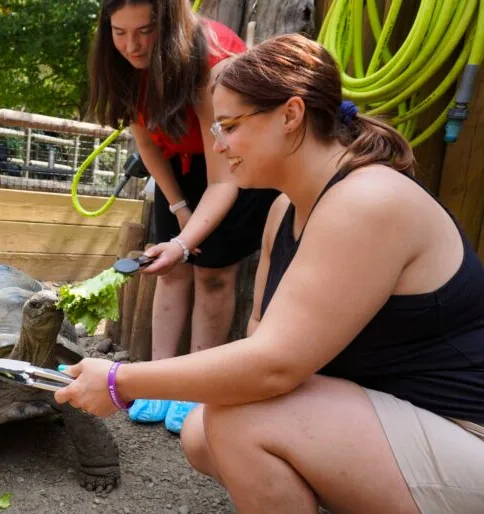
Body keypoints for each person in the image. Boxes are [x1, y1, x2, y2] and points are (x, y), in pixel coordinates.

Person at [58, 33, 484, 513]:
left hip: (462, 430)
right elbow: (258, 345)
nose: (216, 146)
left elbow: (272, 368)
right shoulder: (284, 210)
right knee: (203, 430)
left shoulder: (367, 201)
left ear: (290, 115)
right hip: (394, 416)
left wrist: (120, 380)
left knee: (241, 424)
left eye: (229, 126)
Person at [87, 0, 278, 431]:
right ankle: (158, 377)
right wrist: (178, 209)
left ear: (168, 23)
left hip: (237, 164)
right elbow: (148, 145)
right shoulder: (120, 67)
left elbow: (225, 179)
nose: (132, 46)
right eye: (119, 32)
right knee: (169, 271)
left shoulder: (208, 64)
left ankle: (197, 386)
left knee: (213, 273)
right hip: (180, 165)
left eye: (145, 31)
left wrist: (185, 240)